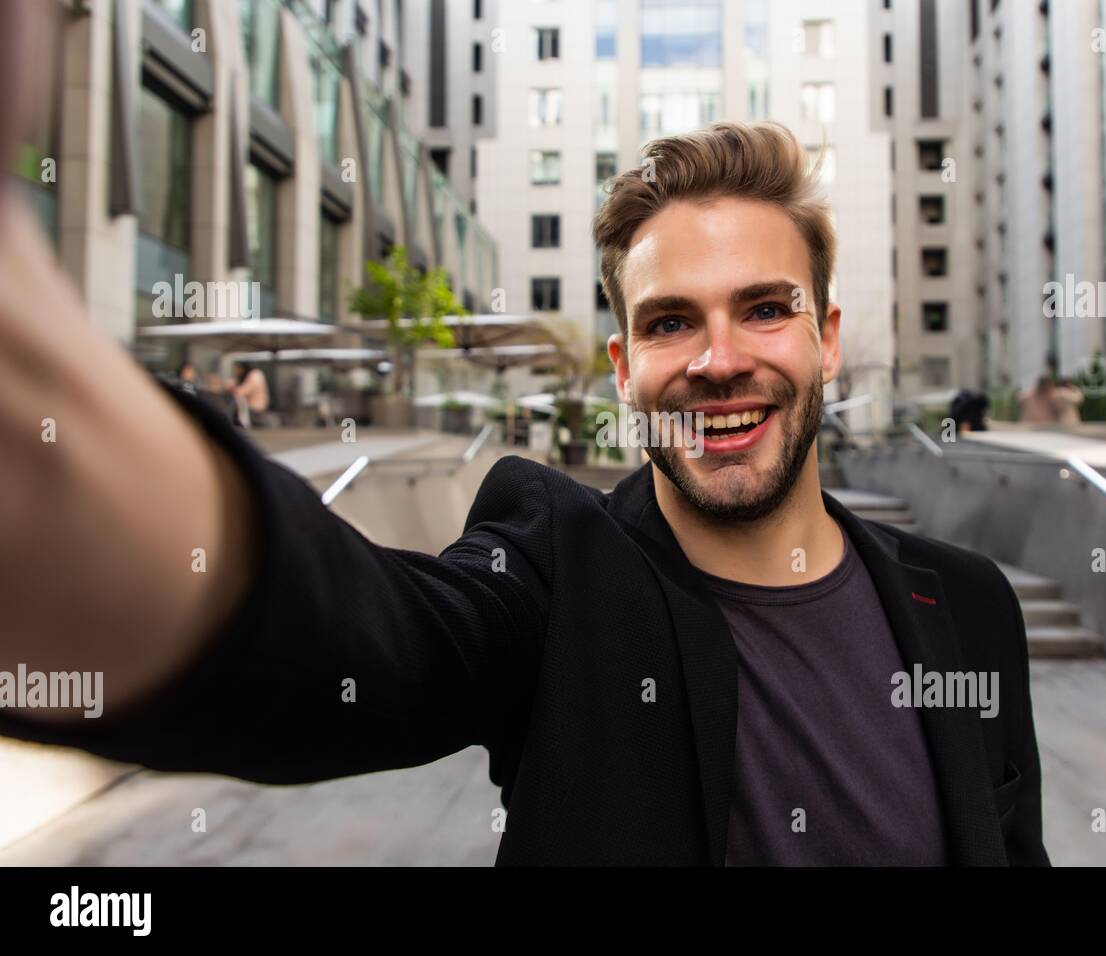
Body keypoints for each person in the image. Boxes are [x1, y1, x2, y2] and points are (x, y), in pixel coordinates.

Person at [0, 122, 1048, 866]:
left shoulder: (965, 606)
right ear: (621, 364)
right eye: (670, 321)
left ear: (825, 337)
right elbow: (358, 642)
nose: (719, 360)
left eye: (764, 309)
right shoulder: (557, 568)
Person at [228, 361, 271, 429]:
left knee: (257, 428)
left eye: (238, 369)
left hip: (256, 407)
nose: (237, 371)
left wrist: (232, 388)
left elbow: (245, 390)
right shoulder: (252, 375)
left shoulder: (255, 375)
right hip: (255, 407)